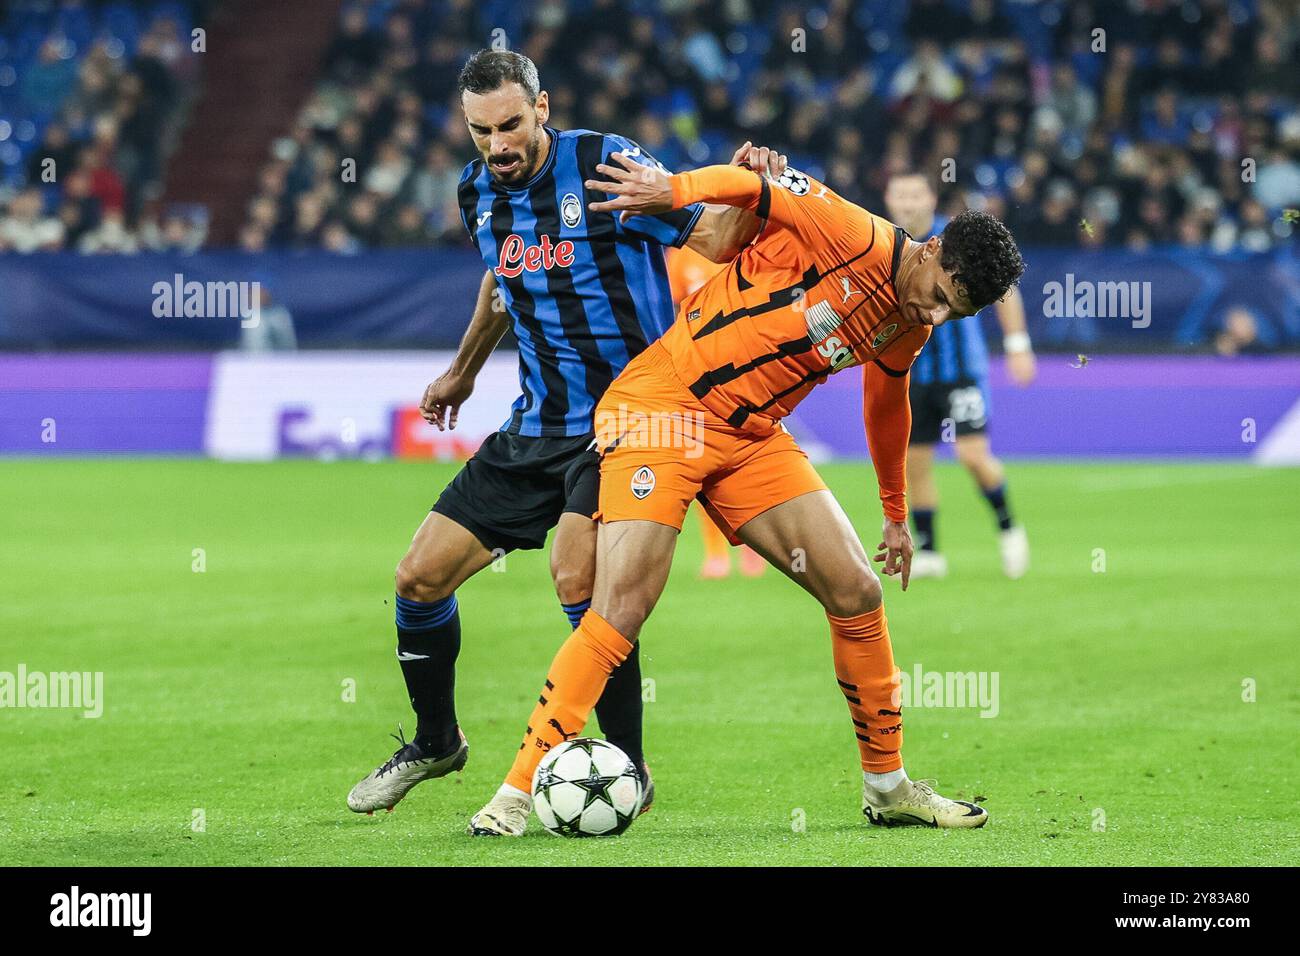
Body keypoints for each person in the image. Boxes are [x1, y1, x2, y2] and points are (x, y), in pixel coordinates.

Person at [467, 155, 1024, 835]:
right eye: (940, 293)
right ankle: (516, 793)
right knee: (621, 609)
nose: (934, 314)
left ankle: (887, 786)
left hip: (751, 437)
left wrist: (896, 513)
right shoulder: (853, 234)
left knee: (857, 592)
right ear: (932, 248)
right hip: (664, 409)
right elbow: (756, 187)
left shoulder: (911, 321)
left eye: (952, 312)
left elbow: (887, 401)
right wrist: (672, 191)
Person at [345, 50, 780, 815]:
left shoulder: (606, 162)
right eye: (481, 130)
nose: (498, 144)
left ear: (542, 108)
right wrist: (464, 371)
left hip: (627, 420)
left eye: (511, 124)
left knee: (579, 584)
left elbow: (711, 238)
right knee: (418, 578)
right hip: (537, 424)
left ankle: (629, 770)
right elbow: (500, 278)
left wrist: (758, 187)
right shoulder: (478, 188)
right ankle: (437, 740)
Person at [883, 171, 1035, 579]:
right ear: (889, 199)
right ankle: (930, 550)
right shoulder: (885, 242)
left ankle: (1008, 528)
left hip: (961, 372)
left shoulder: (957, 239)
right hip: (911, 374)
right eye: (901, 194)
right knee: (915, 462)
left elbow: (1004, 288)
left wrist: (1017, 343)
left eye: (916, 194)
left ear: (931, 198)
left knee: (972, 456)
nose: (909, 203)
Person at [665, 244, 768, 580]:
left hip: (750, 376)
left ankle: (756, 550)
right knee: (701, 471)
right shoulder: (681, 257)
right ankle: (716, 554)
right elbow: (671, 311)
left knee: (749, 469)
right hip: (696, 380)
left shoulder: (748, 251)